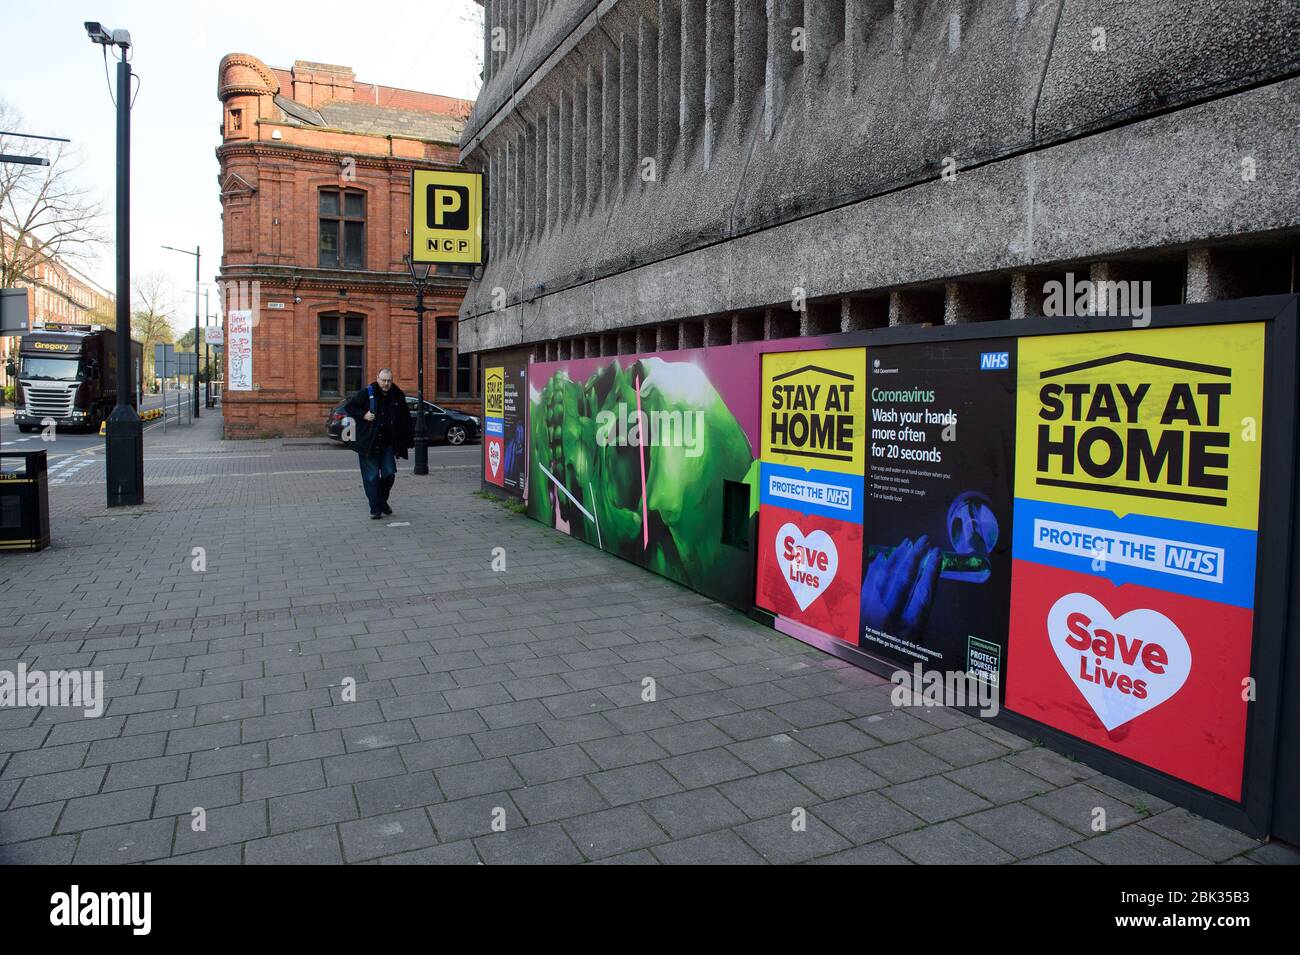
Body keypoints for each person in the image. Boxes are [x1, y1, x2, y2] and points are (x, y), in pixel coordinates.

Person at [344, 368, 413, 519]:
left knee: (389, 474)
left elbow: (405, 418)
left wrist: (407, 440)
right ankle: (376, 509)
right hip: (368, 443)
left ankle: (381, 501)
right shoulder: (367, 393)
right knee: (371, 476)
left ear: (392, 380)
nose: (386, 383)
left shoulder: (397, 395)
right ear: (377, 378)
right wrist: (364, 414)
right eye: (383, 380)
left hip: (388, 444)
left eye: (389, 380)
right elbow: (349, 407)